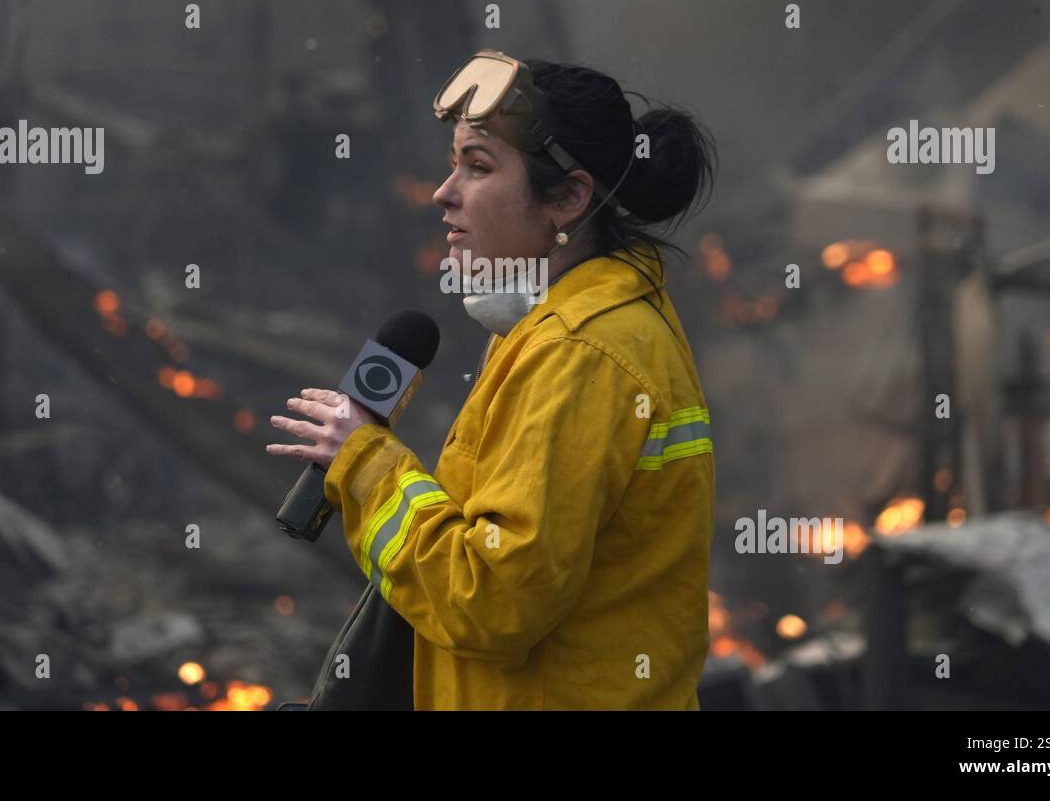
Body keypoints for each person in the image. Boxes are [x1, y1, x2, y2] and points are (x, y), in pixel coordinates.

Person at [268, 49, 718, 709]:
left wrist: (366, 463)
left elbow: (494, 600)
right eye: (453, 162)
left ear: (567, 197)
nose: (443, 192)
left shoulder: (582, 352)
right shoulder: (566, 327)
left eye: (477, 166)